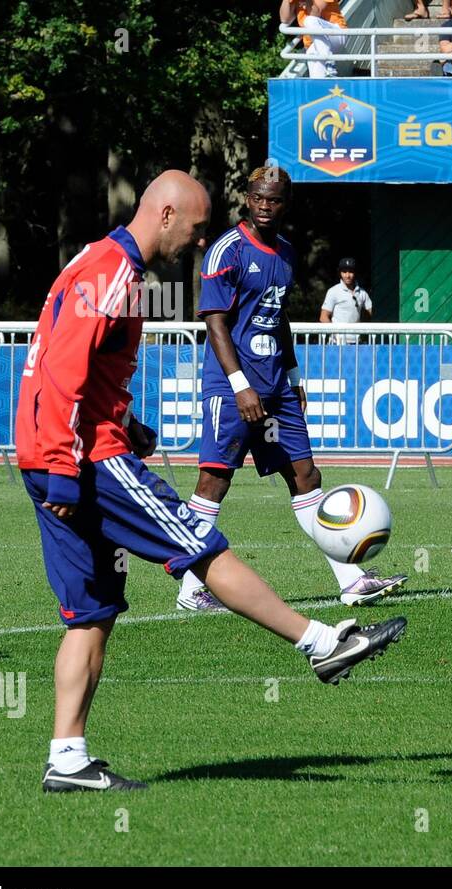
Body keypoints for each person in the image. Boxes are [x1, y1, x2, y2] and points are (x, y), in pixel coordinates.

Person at [16, 171, 406, 792]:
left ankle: (67, 760)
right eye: (197, 229)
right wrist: (69, 467)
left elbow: (75, 366)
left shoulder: (100, 264)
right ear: (166, 213)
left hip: (49, 454)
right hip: (83, 460)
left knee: (90, 614)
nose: (200, 243)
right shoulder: (113, 273)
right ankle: (321, 642)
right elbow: (62, 367)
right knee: (200, 547)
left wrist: (128, 420)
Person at [178, 166, 407, 612]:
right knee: (214, 482)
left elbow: (277, 316)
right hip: (232, 389)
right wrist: (241, 386)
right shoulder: (227, 249)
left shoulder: (284, 251)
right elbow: (216, 323)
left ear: (286, 203)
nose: (265, 206)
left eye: (274, 199)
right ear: (247, 199)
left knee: (305, 477)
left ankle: (351, 580)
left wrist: (294, 376)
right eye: (258, 198)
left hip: (277, 387)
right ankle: (190, 588)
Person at [280, 0, 348, 78]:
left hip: (335, 34)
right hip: (312, 44)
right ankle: (328, 71)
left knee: (309, 20)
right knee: (317, 79)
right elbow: (284, 19)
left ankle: (329, 61)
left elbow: (315, 14)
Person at [319, 257, 373, 344]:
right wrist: (336, 334)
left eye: (351, 272)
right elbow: (323, 317)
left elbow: (371, 313)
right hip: (336, 344)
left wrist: (363, 331)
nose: (347, 275)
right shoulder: (333, 291)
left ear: (355, 272)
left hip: (357, 343)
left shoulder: (362, 293)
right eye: (344, 272)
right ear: (340, 273)